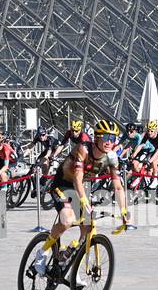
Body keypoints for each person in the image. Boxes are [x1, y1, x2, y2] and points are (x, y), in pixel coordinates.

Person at [29, 119, 129, 281]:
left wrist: (124, 212)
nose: (110, 142)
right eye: (106, 138)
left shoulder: (111, 157)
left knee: (88, 230)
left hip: (79, 189)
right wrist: (83, 200)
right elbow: (77, 178)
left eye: (113, 138)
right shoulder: (83, 149)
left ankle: (68, 264)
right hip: (62, 185)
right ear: (96, 138)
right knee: (67, 220)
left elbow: (118, 186)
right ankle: (42, 253)